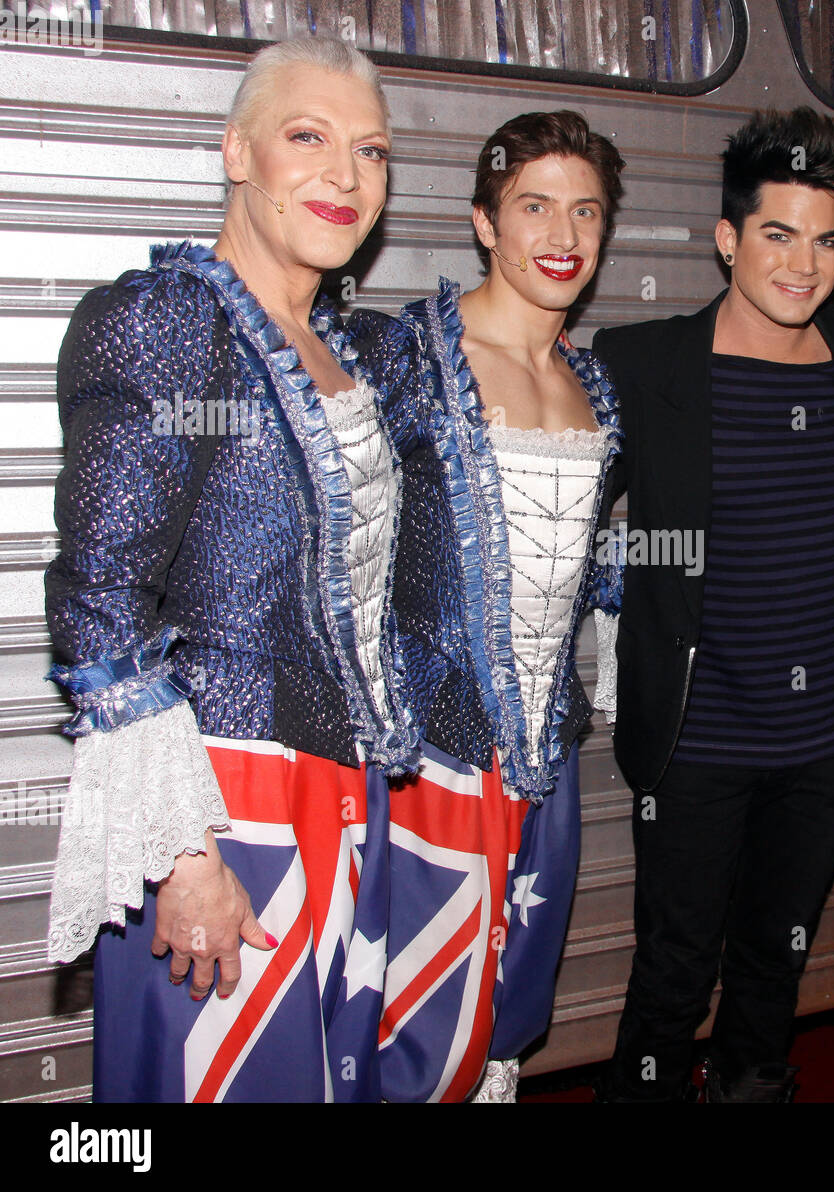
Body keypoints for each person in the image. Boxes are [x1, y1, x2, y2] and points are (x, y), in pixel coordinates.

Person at [44, 36, 418, 1101]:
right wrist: (181, 857)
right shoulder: (167, 321)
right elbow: (101, 611)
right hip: (217, 802)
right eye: (309, 137)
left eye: (373, 151)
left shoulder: (353, 354)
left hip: (345, 796)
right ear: (236, 153)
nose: (346, 176)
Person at [592, 107, 834, 1102]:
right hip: (696, 740)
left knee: (776, 963)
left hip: (821, 740)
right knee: (673, 973)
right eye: (777, 235)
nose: (803, 265)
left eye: (826, 241)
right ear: (728, 239)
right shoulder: (644, 364)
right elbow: (552, 508)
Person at [349, 110, 625, 1103]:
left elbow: (578, 561)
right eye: (535, 207)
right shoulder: (404, 358)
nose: (563, 235)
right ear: (484, 222)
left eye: (585, 212)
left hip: (542, 766)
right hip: (426, 766)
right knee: (410, 1030)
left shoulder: (591, 384)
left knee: (500, 1026)